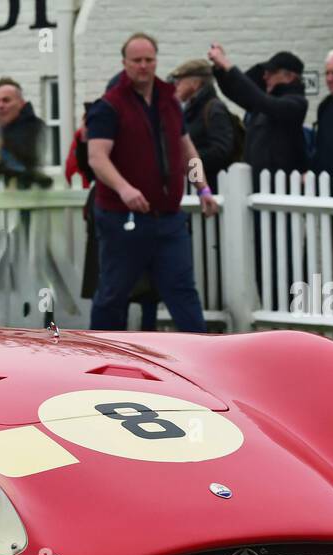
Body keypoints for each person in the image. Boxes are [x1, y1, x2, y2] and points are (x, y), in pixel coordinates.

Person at [86, 33, 218, 333]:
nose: (144, 66)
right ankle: (101, 357)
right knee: (113, 294)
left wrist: (203, 188)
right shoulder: (109, 105)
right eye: (137, 61)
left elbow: (187, 149)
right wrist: (124, 188)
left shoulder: (170, 99)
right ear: (124, 63)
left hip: (168, 218)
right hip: (123, 217)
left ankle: (201, 359)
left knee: (182, 289)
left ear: (156, 61)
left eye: (149, 60)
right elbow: (97, 157)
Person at [208, 45, 308, 174]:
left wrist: (227, 65)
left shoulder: (296, 104)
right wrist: (220, 68)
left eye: (271, 72)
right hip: (257, 182)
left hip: (280, 186)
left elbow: (263, 101)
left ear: (289, 77)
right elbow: (235, 93)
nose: (265, 76)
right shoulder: (265, 103)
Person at [169, 59, 236, 191]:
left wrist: (187, 159)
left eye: (179, 81)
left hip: (212, 187)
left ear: (195, 83)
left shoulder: (214, 109)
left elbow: (221, 152)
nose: (175, 86)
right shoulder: (191, 109)